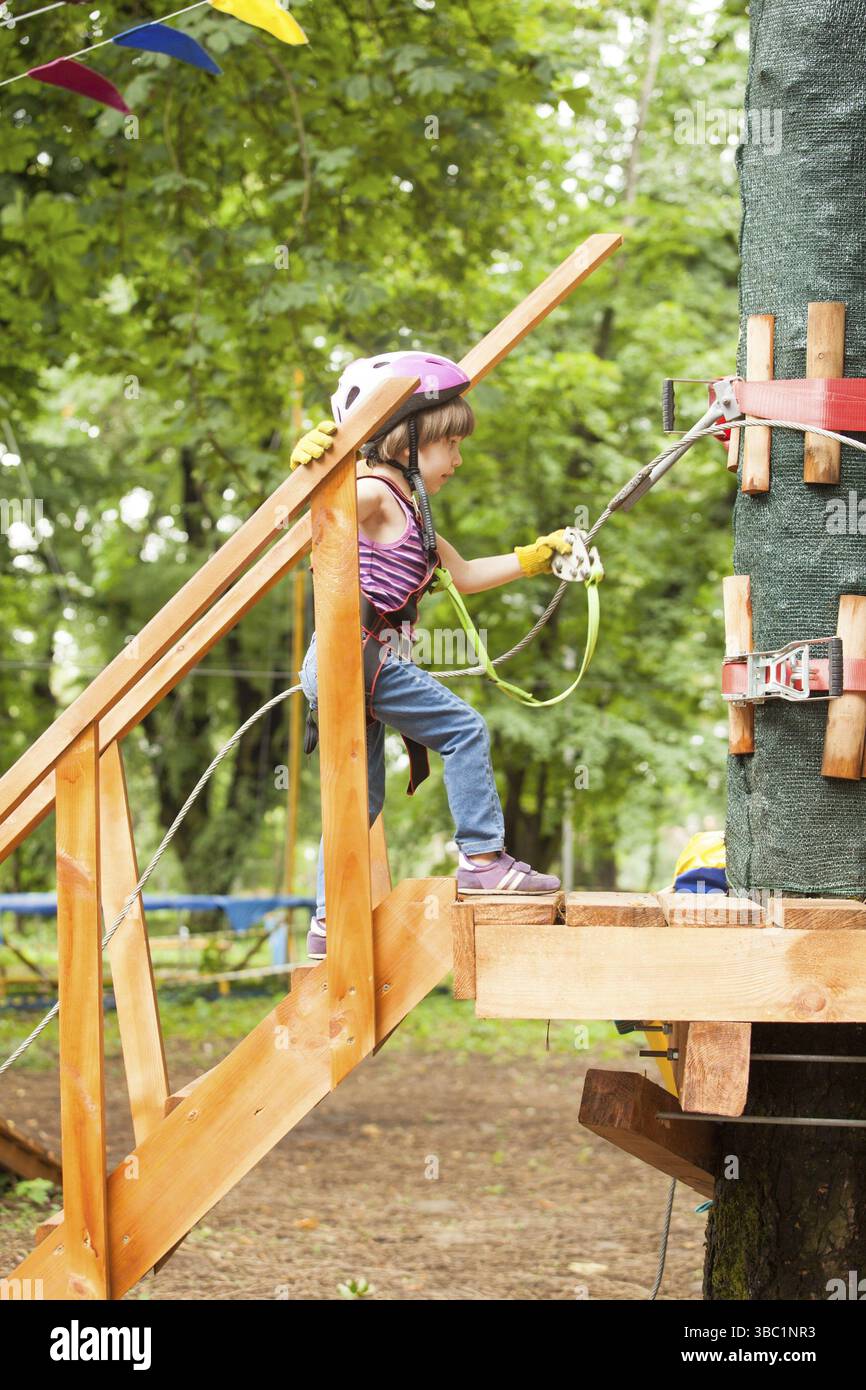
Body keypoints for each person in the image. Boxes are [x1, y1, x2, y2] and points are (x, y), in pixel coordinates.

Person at [291, 350, 571, 960]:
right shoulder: (370, 489)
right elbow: (315, 528)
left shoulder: (408, 506)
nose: (459, 459)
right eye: (451, 444)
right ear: (406, 438)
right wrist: (320, 477)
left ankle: (325, 926)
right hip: (355, 658)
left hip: (353, 663)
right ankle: (482, 858)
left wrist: (538, 557)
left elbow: (464, 574)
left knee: (358, 801)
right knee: (465, 730)